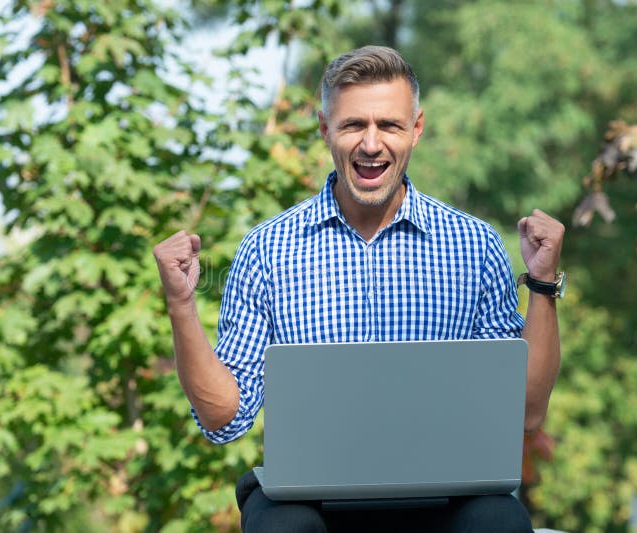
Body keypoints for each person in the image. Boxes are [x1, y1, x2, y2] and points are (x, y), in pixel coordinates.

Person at [153, 45, 564, 533]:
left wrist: (540, 282)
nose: (371, 144)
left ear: (417, 128)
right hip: (311, 505)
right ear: (326, 129)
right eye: (353, 126)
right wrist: (181, 304)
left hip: (446, 498)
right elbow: (225, 417)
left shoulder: (476, 246)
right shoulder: (266, 249)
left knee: (499, 519)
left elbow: (526, 412)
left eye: (389, 125)